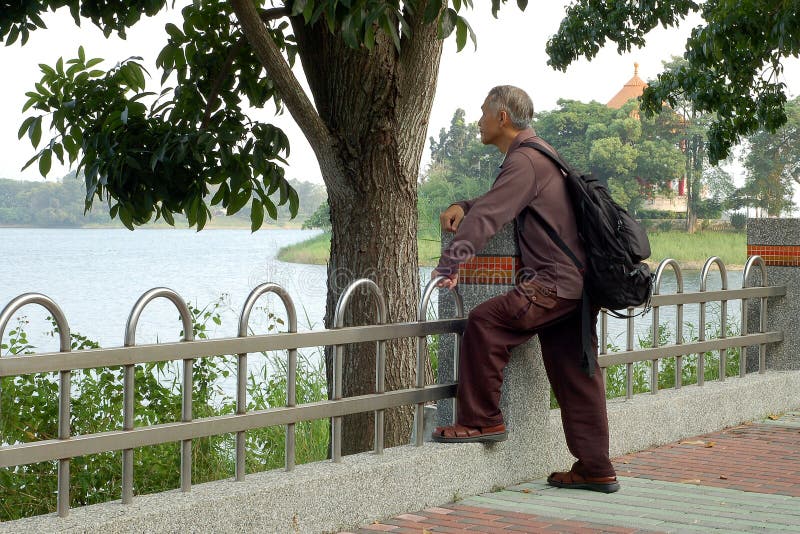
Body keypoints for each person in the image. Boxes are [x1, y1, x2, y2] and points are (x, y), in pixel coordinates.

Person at [430, 85, 619, 493]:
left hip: (551, 284)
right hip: (576, 287)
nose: (478, 120)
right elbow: (500, 199)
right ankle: (596, 467)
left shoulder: (526, 160)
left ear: (502, 117)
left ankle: (482, 419)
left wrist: (451, 263)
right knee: (576, 373)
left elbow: (492, 215)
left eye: (482, 112)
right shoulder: (537, 155)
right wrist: (464, 201)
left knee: (484, 322)